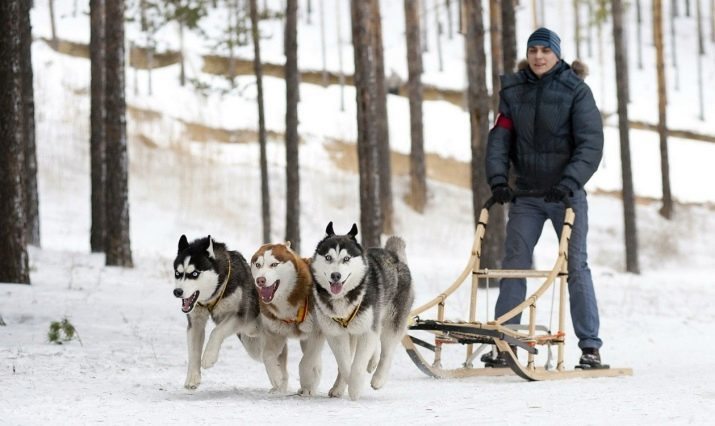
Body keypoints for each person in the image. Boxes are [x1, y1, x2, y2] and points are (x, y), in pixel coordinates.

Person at [483, 27, 607, 369]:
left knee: (575, 266)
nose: (539, 56)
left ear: (557, 54)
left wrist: (569, 181)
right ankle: (504, 341)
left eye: (545, 50)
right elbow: (499, 140)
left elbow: (590, 144)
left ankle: (590, 346)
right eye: (533, 50)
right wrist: (497, 180)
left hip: (566, 197)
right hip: (526, 195)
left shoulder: (576, 91)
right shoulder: (514, 90)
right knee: (514, 265)